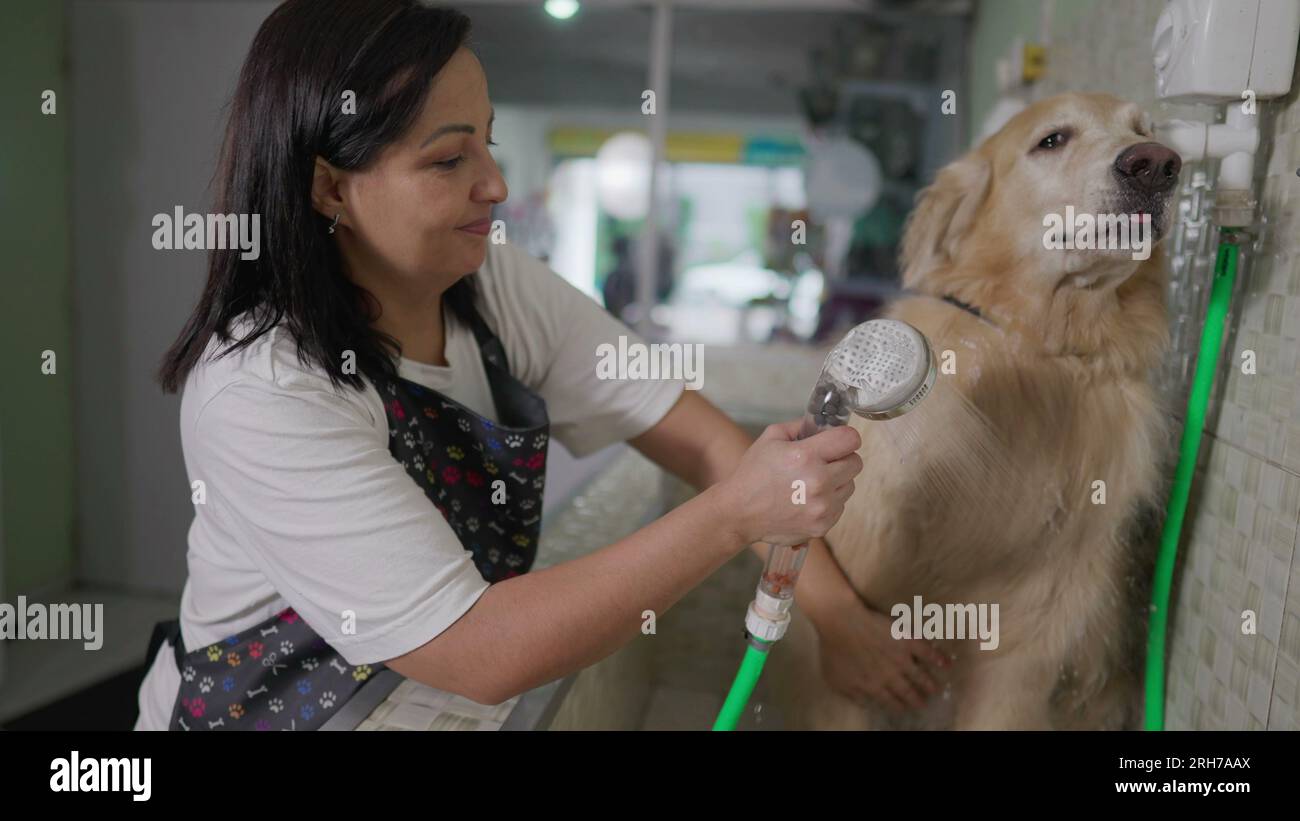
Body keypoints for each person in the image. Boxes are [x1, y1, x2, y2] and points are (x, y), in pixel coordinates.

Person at [135, 0, 944, 731]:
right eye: (449, 161)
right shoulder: (263, 390)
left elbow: (691, 436)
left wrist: (837, 617)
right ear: (328, 188)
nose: (496, 182)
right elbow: (482, 652)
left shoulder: (491, 286)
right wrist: (738, 512)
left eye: (486, 142)